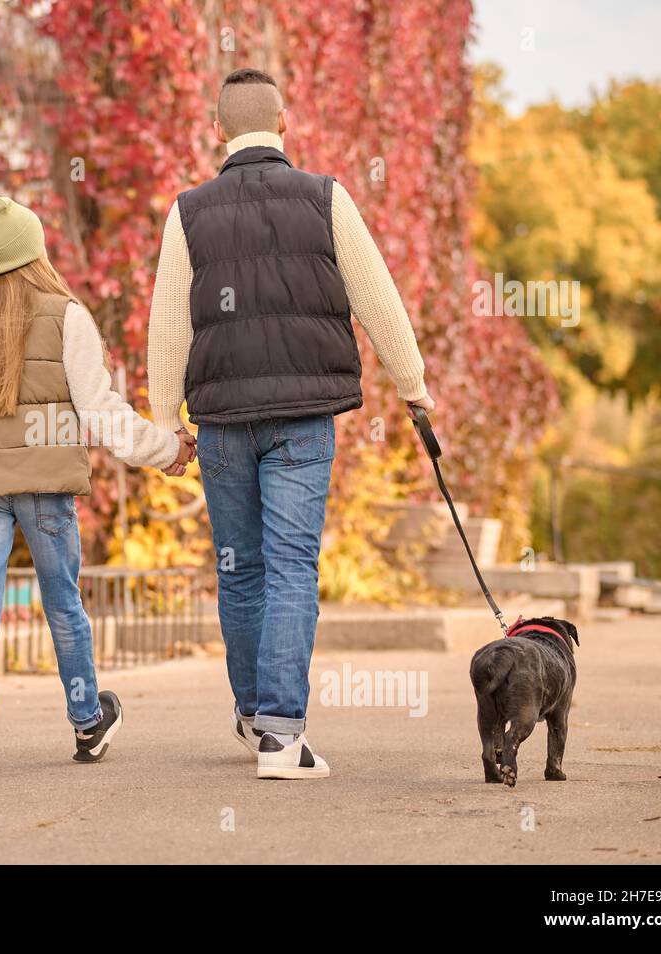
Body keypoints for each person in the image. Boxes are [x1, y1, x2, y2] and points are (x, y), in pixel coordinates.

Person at [147, 68, 436, 780]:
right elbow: (379, 302)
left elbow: (165, 329)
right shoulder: (326, 197)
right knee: (291, 568)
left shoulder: (187, 212)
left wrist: (164, 427)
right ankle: (281, 734)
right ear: (285, 123)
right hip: (303, 421)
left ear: (218, 131)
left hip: (218, 423)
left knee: (240, 568)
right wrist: (416, 390)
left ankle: (254, 718)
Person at [0, 193, 195, 778]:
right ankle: (88, 720)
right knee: (64, 604)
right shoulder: (66, 315)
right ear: (34, 251)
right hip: (45, 490)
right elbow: (101, 412)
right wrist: (167, 448)